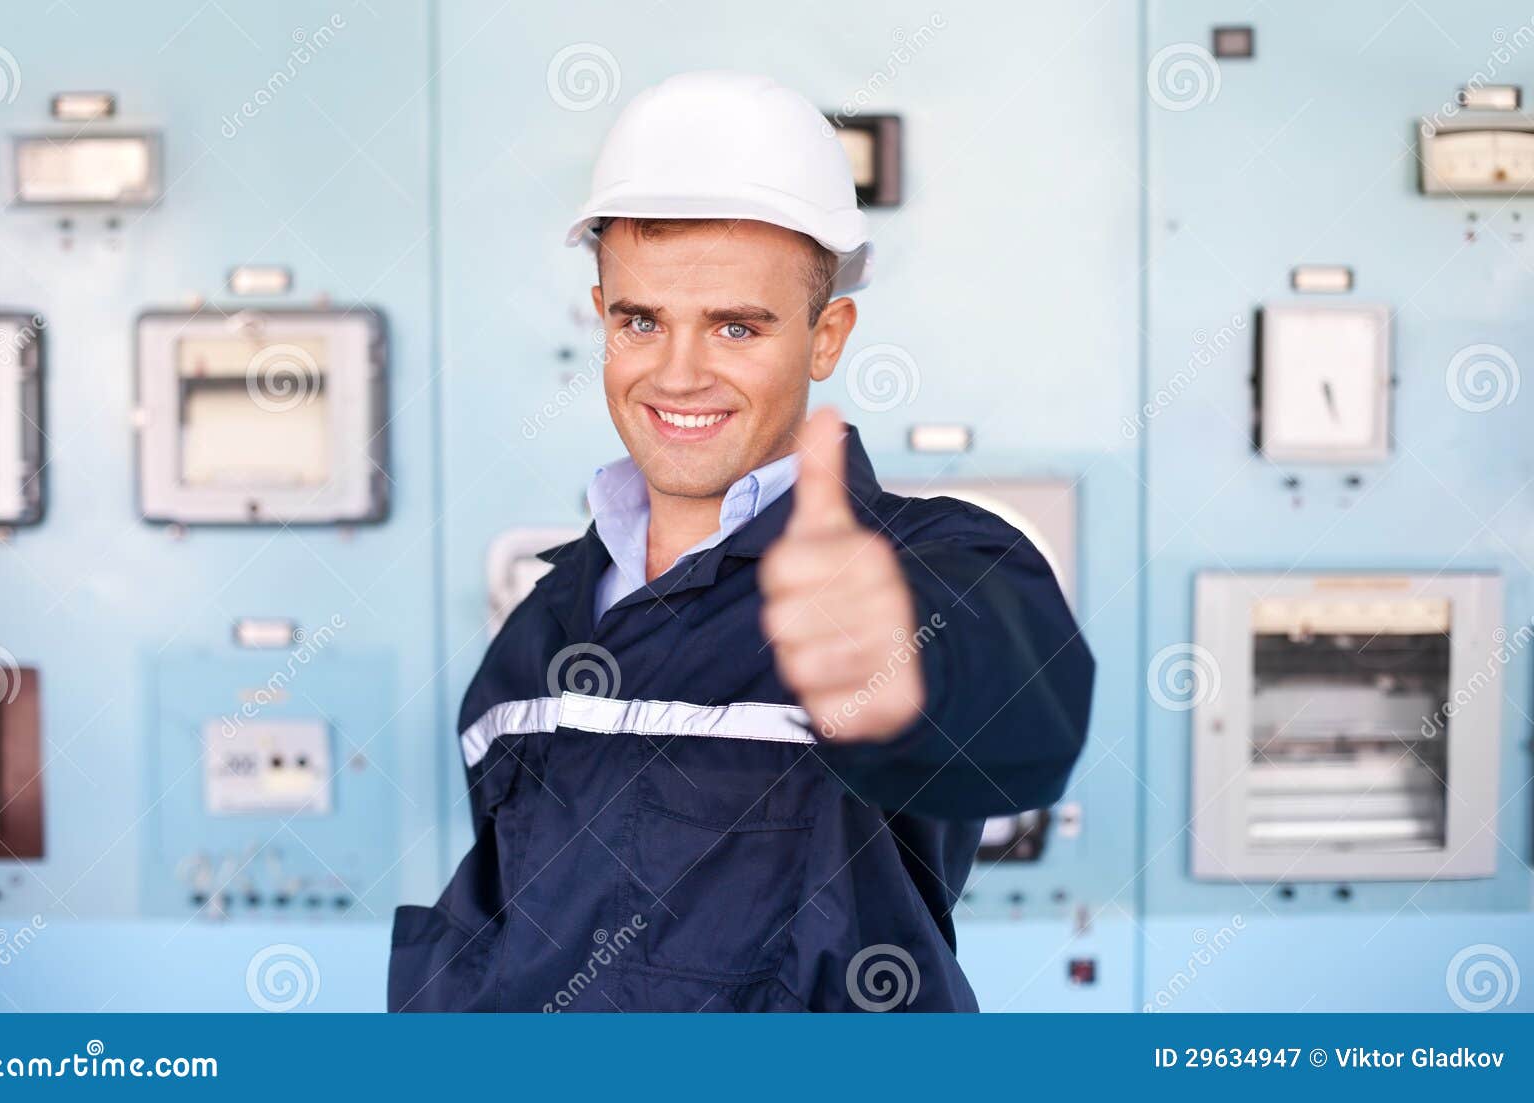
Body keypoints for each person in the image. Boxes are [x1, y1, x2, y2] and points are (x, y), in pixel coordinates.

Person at [389, 71, 1094, 1012]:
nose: (678, 374)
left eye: (736, 326)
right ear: (603, 318)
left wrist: (899, 666)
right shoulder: (540, 632)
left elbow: (1024, 713)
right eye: (643, 320)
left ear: (826, 335)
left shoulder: (926, 564)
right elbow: (501, 939)